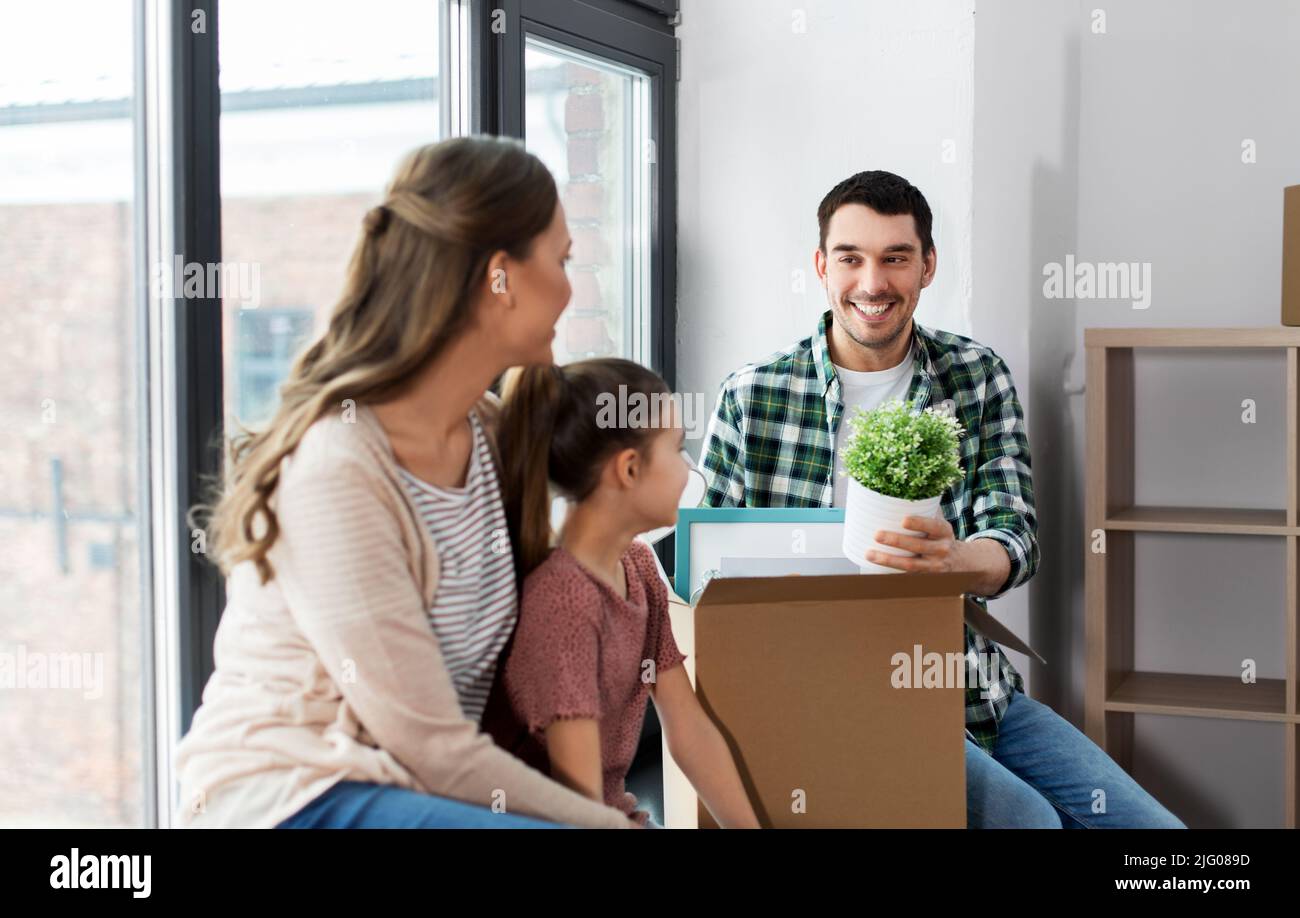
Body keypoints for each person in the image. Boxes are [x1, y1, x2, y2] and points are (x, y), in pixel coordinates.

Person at [698, 169, 1185, 829]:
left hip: (968, 684)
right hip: (826, 695)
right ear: (820, 266)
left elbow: (1015, 538)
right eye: (851, 258)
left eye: (895, 258)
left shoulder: (975, 376)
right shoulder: (751, 396)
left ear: (928, 266)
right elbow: (705, 574)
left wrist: (955, 562)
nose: (873, 283)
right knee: (1030, 823)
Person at [175, 135, 637, 829]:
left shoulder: (486, 436)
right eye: (562, 258)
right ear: (499, 277)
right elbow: (432, 747)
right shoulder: (337, 467)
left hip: (410, 786)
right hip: (290, 795)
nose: (574, 286)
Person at [489, 358, 760, 829]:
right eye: (677, 451)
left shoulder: (637, 567)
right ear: (630, 469)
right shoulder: (563, 602)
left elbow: (689, 731)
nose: (689, 472)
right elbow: (579, 805)